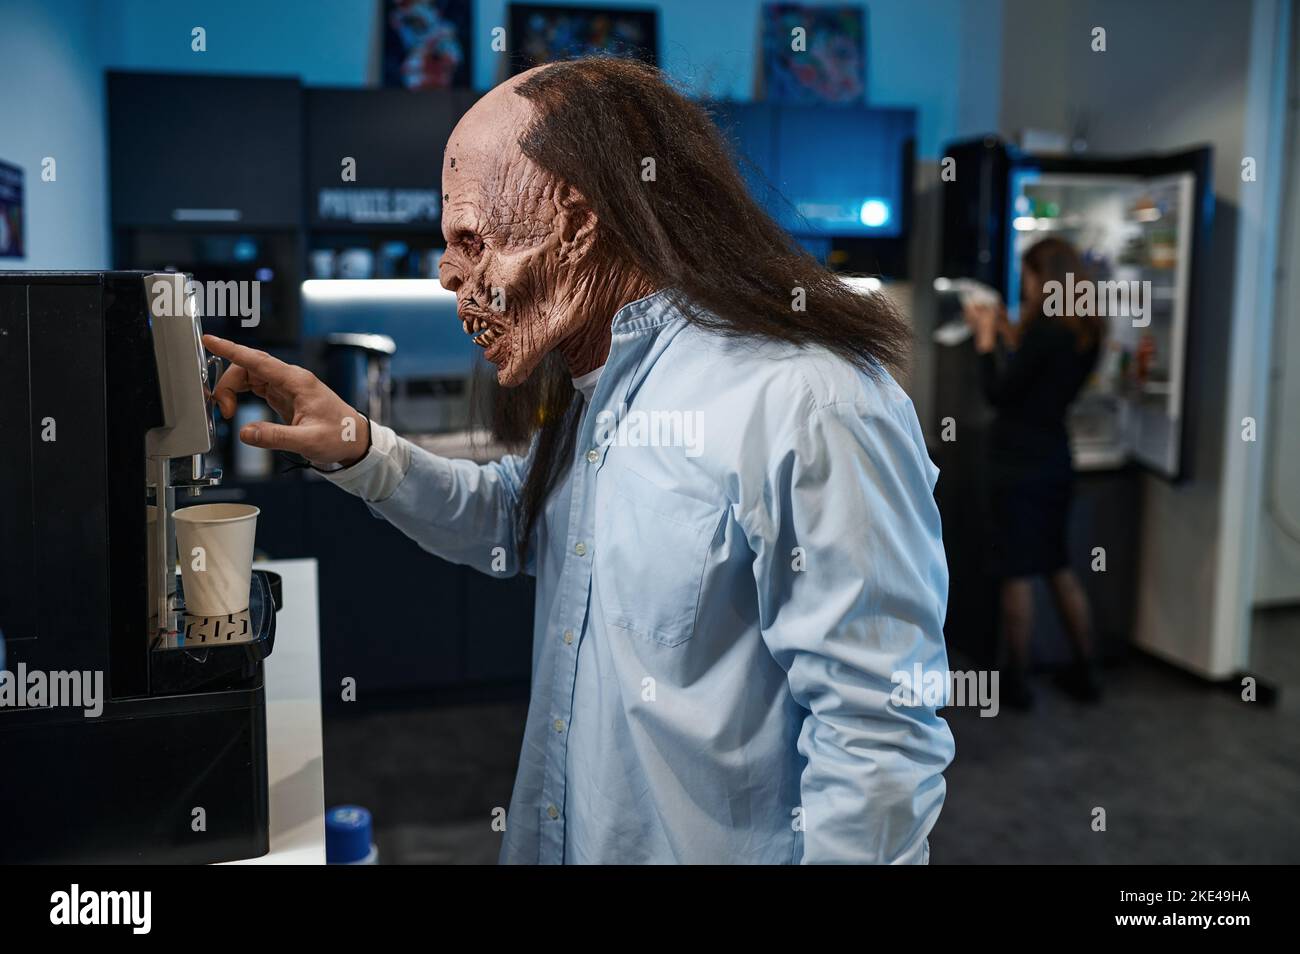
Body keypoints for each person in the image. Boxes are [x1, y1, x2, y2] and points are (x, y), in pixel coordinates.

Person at [204, 58, 954, 864]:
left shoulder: (811, 401)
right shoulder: (598, 383)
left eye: (470, 239)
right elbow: (510, 518)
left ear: (576, 220)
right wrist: (355, 443)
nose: (449, 274)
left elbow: (878, 736)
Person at [963, 237, 1104, 709]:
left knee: (1017, 573)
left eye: (1028, 275)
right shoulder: (1085, 328)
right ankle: (1087, 674)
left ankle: (1017, 685)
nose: (1025, 285)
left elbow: (1000, 395)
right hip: (1055, 460)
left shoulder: (1044, 327)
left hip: (1016, 464)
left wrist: (984, 342)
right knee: (1059, 567)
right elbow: (1040, 375)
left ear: (1043, 276)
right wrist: (1006, 332)